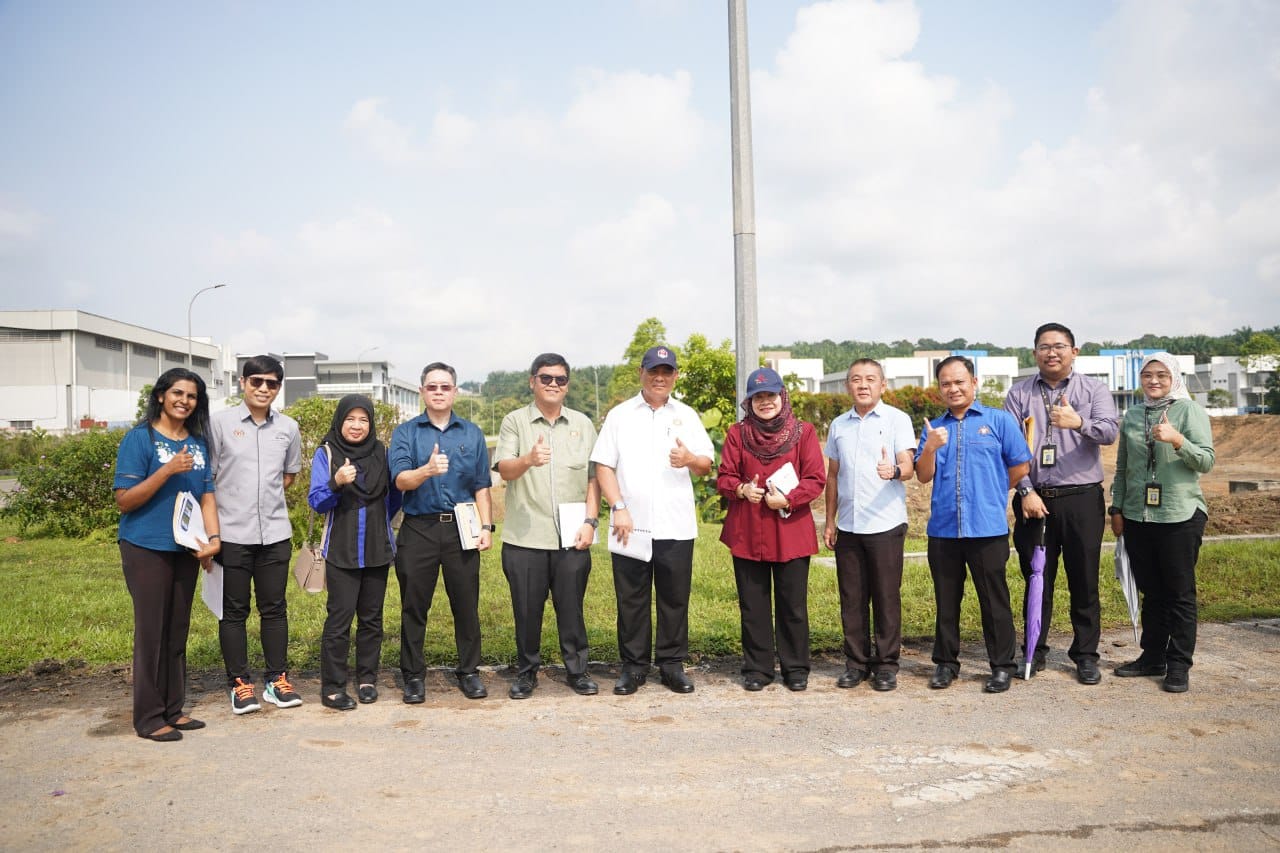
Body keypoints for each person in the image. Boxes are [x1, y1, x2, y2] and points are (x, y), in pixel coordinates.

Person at [591, 345, 715, 695]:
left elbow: (706, 463)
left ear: (675, 376)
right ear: (641, 373)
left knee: (674, 597)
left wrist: (689, 458)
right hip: (630, 524)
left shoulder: (686, 415)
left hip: (675, 524)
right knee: (631, 598)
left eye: (667, 372)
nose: (660, 377)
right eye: (653, 371)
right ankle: (633, 666)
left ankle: (672, 664)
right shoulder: (620, 415)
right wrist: (618, 507)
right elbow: (604, 465)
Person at [1004, 323, 1119, 685]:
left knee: (1084, 580)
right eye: (1043, 347)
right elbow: (1008, 448)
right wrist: (1025, 490)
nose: (1051, 352)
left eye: (1059, 346)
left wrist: (1078, 421)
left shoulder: (1094, 389)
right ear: (1034, 352)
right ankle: (1034, 650)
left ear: (1074, 351)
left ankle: (1085, 654)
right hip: (1033, 499)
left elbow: (1110, 431)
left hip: (1081, 497)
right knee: (1038, 578)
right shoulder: (1019, 392)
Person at [113, 368, 221, 742]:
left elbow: (206, 496)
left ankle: (173, 708)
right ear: (161, 395)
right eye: (177, 393)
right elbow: (125, 501)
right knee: (151, 632)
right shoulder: (138, 439)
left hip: (185, 549)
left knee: (177, 630)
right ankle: (148, 717)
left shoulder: (198, 443)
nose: (184, 401)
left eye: (191, 396)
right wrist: (168, 470)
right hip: (145, 547)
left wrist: (213, 538)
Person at [915, 356, 1031, 694]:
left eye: (959, 382)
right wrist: (930, 449)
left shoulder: (998, 421)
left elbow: (1020, 466)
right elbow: (923, 475)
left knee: (994, 601)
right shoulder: (934, 428)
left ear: (974, 383)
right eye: (946, 384)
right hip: (944, 530)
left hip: (987, 528)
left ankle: (1001, 666)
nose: (953, 388)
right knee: (946, 601)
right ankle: (946, 664)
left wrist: (993, 491)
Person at [494, 354, 601, 699]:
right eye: (546, 378)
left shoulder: (583, 424)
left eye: (560, 379)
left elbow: (593, 478)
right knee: (527, 611)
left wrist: (591, 521)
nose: (553, 384)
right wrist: (528, 459)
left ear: (567, 384)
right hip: (526, 537)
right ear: (532, 381)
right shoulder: (515, 422)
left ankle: (577, 671)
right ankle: (527, 673)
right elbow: (504, 470)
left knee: (571, 609)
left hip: (573, 536)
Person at [390, 362, 495, 702]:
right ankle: (413, 676)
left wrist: (486, 526)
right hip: (418, 528)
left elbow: (481, 486)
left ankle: (469, 672)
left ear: (455, 391)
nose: (438, 392)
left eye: (445, 387)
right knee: (414, 606)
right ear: (422, 391)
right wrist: (426, 470)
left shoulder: (472, 433)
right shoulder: (406, 432)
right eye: (432, 387)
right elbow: (401, 480)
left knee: (466, 605)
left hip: (461, 529)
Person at [1110, 352, 1214, 693]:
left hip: (1179, 514)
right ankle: (1152, 657)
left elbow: (1206, 461)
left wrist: (1177, 440)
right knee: (1152, 592)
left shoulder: (1189, 411)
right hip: (1139, 516)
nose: (1154, 381)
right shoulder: (1133, 415)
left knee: (1179, 594)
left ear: (1174, 378)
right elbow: (1123, 467)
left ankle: (1179, 664)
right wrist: (1117, 509)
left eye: (1161, 375)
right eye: (1148, 375)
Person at [717, 367, 825, 692]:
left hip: (790, 530)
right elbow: (724, 477)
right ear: (749, 401)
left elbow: (815, 478)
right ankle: (758, 669)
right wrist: (740, 491)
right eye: (758, 396)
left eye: (770, 395)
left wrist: (789, 499)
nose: (765, 402)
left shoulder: (803, 433)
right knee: (753, 605)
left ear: (782, 396)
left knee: (793, 604)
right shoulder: (738, 434)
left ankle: (795, 668)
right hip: (748, 531)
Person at [208, 355, 303, 715]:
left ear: (279, 387)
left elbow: (289, 474)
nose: (264, 389)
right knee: (233, 611)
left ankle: (277, 680)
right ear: (243, 383)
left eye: (272, 384)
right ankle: (240, 683)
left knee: (274, 608)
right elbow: (208, 480)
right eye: (257, 382)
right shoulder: (219, 424)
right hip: (231, 534)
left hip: (275, 534)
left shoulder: (288, 428)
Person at [822, 359, 916, 692]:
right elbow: (833, 475)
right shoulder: (839, 425)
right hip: (848, 525)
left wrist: (893, 470)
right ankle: (856, 663)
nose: (863, 385)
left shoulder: (896, 420)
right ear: (847, 386)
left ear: (882, 385)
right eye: (856, 380)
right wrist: (830, 520)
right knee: (852, 598)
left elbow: (908, 464)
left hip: (885, 525)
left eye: (870, 379)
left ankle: (887, 665)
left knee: (886, 596)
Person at [308, 395, 401, 710]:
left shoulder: (382, 453)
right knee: (339, 620)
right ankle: (333, 687)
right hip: (341, 549)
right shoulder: (327, 453)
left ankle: (366, 679)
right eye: (351, 419)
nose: (357, 425)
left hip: (377, 547)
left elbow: (394, 498)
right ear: (340, 421)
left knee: (372, 619)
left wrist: (380, 525)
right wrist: (336, 482)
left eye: (364, 419)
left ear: (371, 423)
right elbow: (317, 501)